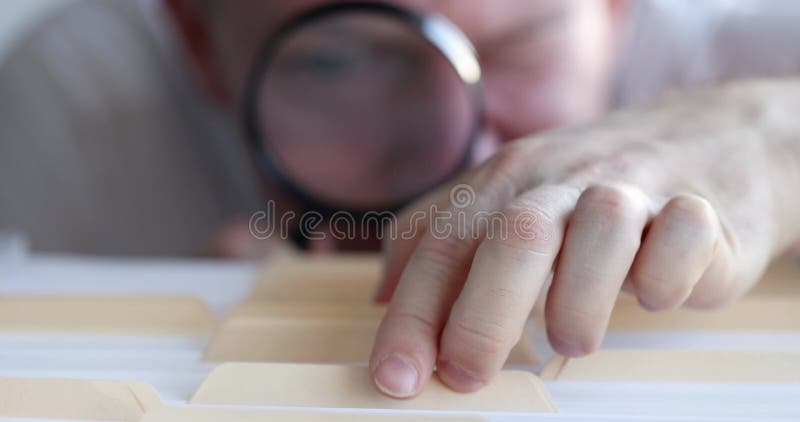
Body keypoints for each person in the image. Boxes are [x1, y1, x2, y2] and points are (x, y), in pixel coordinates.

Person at [1, 0, 798, 399]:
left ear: (619, 11)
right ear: (200, 40)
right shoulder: (82, 99)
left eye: (518, 51)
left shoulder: (752, 50)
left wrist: (771, 143)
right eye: (339, 66)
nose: (466, 159)